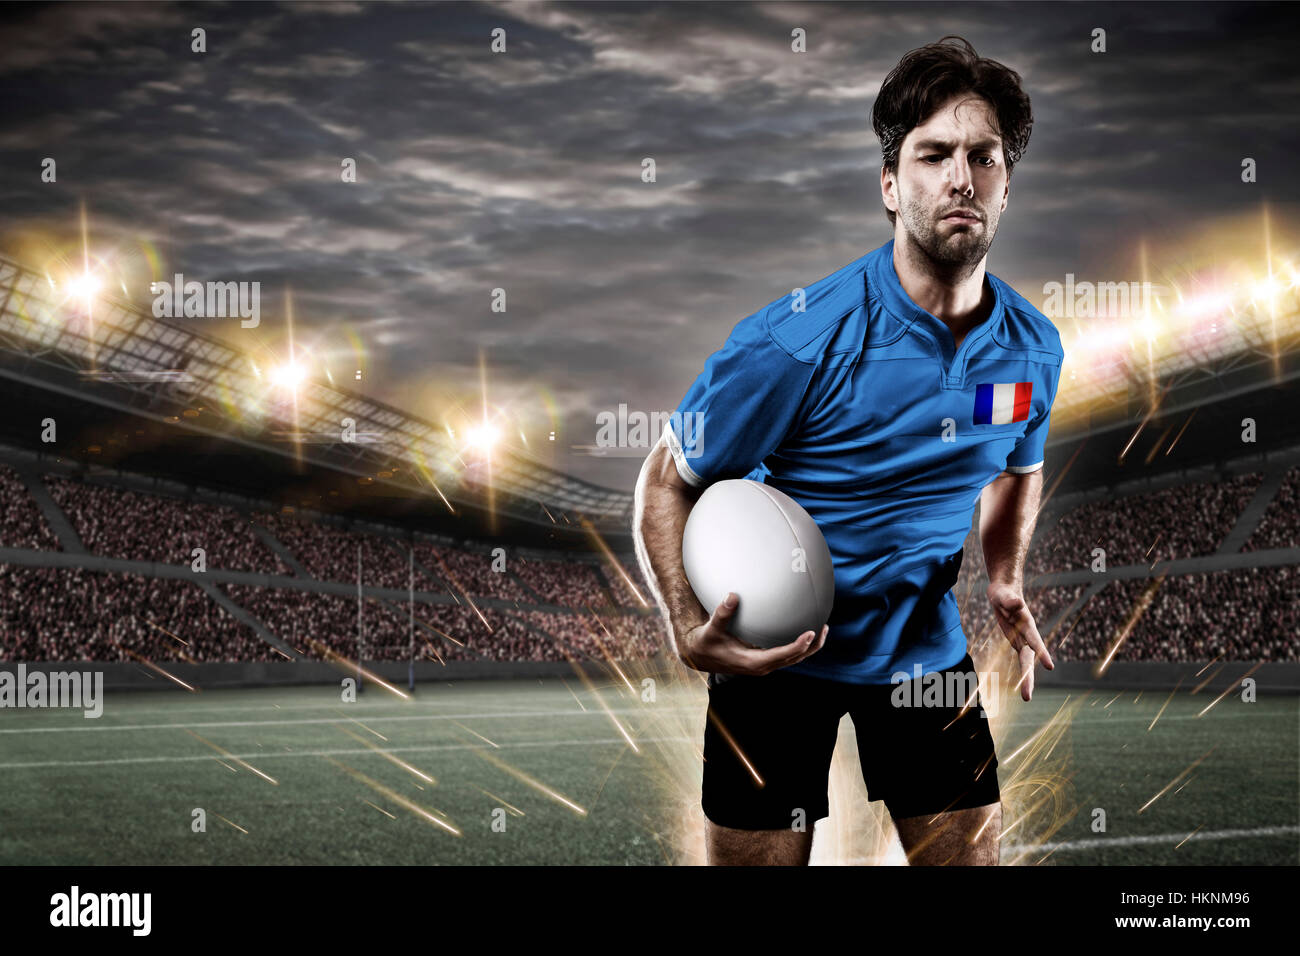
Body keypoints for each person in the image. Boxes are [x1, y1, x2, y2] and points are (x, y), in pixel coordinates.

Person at [633, 36, 1062, 866]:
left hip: (924, 659)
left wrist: (1004, 577)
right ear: (891, 185)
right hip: (772, 662)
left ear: (1007, 185)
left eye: (984, 157)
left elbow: (1020, 467)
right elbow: (665, 477)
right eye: (933, 155)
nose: (961, 176)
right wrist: (689, 628)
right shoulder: (796, 341)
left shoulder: (1034, 349)